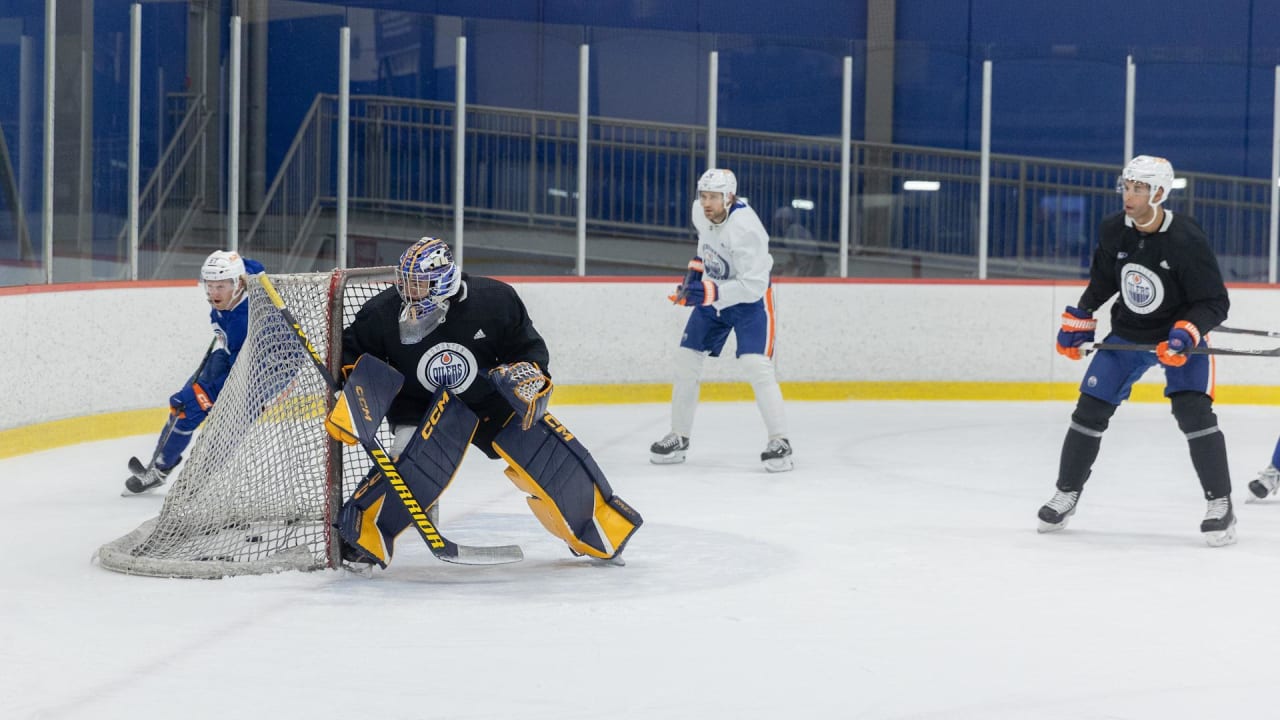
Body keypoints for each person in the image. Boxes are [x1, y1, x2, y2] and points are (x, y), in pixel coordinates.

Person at [332, 236, 642, 568]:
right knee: (408, 465)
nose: (408, 291)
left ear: (443, 280)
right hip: (421, 408)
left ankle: (597, 532)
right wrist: (351, 394)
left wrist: (527, 378)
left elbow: (528, 350)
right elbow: (352, 357)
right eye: (406, 281)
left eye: (419, 283)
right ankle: (362, 541)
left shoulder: (494, 300)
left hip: (492, 401)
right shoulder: (382, 314)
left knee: (555, 460)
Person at [1043, 155, 1235, 546]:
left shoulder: (1186, 239)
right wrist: (1081, 318)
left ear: (1160, 193)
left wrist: (1187, 333)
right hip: (1128, 335)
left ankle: (1221, 505)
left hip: (1177, 340)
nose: (1129, 196)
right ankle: (1067, 493)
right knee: (1089, 410)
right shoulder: (1114, 229)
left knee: (1193, 412)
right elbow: (1102, 281)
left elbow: (1215, 303)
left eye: (1139, 189)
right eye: (1127, 187)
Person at [650, 168, 793, 472]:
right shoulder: (700, 213)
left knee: (756, 365)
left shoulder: (747, 229)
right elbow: (704, 250)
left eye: (713, 197)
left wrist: (705, 293)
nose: (706, 203)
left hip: (749, 300)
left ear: (729, 197)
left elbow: (753, 285)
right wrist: (691, 282)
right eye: (703, 196)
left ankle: (780, 441)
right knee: (686, 360)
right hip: (715, 293)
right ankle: (679, 436)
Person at [123, 250, 266, 494]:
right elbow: (252, 265)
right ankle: (158, 470)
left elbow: (241, 375)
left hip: (264, 371)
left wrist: (198, 395)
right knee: (184, 411)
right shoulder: (244, 279)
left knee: (225, 421)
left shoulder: (245, 320)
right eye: (209, 286)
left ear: (237, 284)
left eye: (220, 287)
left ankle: (199, 485)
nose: (213, 293)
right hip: (237, 357)